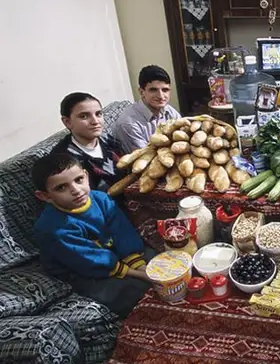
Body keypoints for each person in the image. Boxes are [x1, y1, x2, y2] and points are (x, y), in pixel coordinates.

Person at [32, 153, 155, 318]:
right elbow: (87, 259)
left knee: (159, 261)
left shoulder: (101, 198)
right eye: (61, 188)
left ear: (86, 175)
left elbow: (122, 231)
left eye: (78, 180)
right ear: (45, 196)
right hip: (81, 268)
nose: (76, 190)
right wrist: (141, 274)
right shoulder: (53, 228)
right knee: (132, 292)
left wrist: (139, 264)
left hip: (110, 250)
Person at [50, 92, 124, 192]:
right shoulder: (64, 159)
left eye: (98, 114)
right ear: (67, 122)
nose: (95, 121)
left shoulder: (108, 139)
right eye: (84, 116)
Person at [114, 65, 181, 153]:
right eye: (153, 90)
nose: (161, 96)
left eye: (165, 90)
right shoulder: (128, 124)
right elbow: (145, 158)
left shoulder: (169, 111)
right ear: (142, 92)